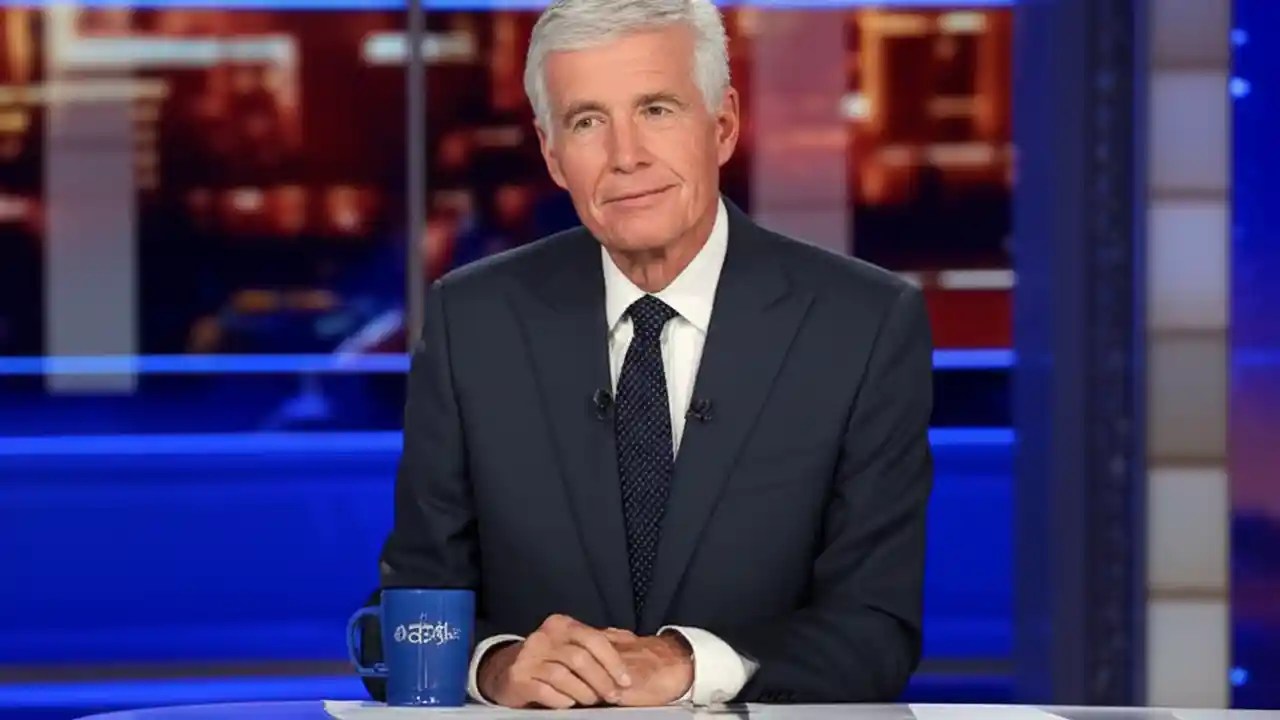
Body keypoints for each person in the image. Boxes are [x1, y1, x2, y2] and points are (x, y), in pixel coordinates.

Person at [375, 0, 934, 708]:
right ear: (552, 154)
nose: (626, 155)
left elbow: (876, 631)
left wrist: (688, 664)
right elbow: (405, 609)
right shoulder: (473, 321)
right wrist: (493, 666)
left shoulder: (861, 324)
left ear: (722, 125)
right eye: (587, 121)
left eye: (657, 110)